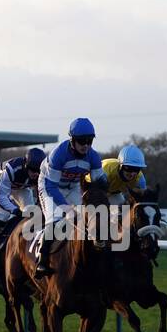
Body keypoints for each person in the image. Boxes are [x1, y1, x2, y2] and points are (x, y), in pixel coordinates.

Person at [35, 118, 103, 276]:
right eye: (81, 141)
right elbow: (51, 186)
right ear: (72, 140)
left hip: (73, 187)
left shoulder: (93, 157)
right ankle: (42, 261)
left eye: (90, 141)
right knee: (56, 219)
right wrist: (66, 208)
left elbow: (100, 186)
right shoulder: (58, 154)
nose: (86, 145)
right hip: (50, 186)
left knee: (83, 219)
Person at [0, 146, 45, 266]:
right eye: (32, 170)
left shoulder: (40, 174)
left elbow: (41, 195)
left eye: (38, 171)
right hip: (2, 182)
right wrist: (15, 210)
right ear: (25, 165)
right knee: (3, 216)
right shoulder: (12, 170)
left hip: (22, 187)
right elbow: (1, 197)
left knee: (32, 214)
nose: (35, 174)